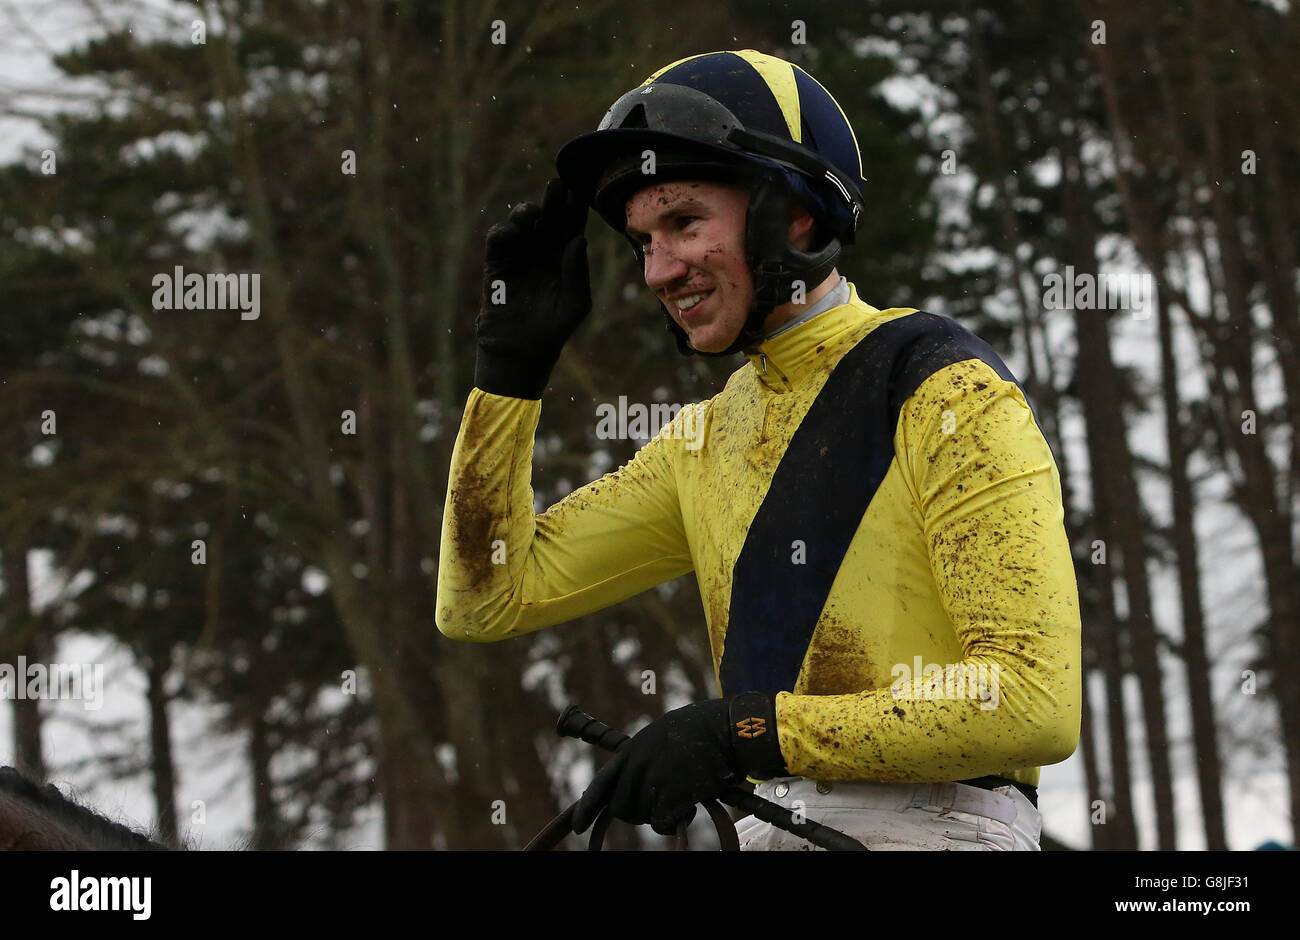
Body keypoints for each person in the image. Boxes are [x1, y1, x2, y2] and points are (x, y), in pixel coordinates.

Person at [436, 49, 1081, 850]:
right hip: (771, 829)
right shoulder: (702, 441)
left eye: (683, 223)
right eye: (642, 241)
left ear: (795, 215)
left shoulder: (946, 388)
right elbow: (482, 600)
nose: (660, 270)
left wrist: (740, 732)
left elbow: (1031, 703)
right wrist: (510, 375)